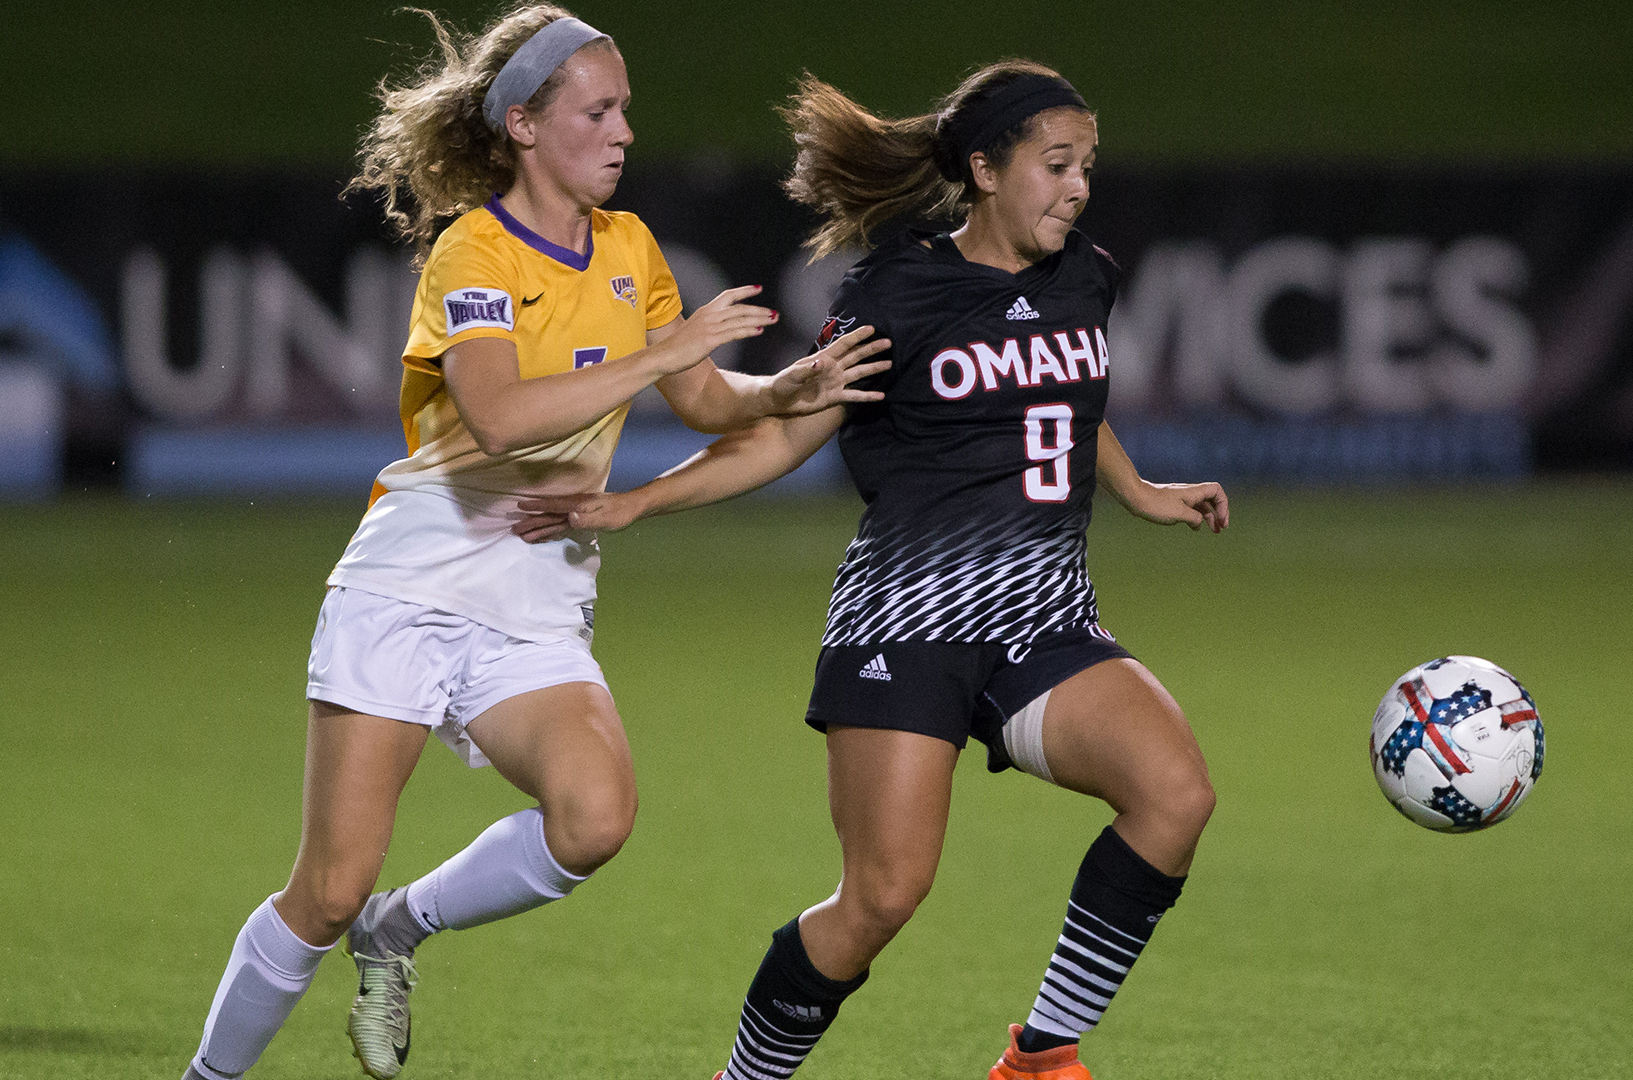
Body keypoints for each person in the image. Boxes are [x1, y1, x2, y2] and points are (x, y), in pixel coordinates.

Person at [176, 8, 891, 1080]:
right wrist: (663, 358)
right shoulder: (472, 249)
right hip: (411, 580)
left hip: (536, 587)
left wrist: (778, 387)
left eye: (627, 112)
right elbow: (504, 416)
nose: (624, 132)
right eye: (599, 110)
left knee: (594, 817)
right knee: (325, 884)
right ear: (523, 125)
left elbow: (702, 398)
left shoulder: (629, 247)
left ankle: (399, 927)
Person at [517, 61, 1228, 1080]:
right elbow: (778, 437)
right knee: (882, 898)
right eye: (1057, 165)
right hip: (907, 624)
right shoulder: (899, 291)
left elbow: (1065, 401)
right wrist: (638, 500)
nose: (1078, 187)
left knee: (1176, 796)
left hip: (1044, 620)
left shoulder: (1086, 276)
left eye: (1088, 167)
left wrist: (1141, 489)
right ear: (985, 170)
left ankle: (1038, 1057)